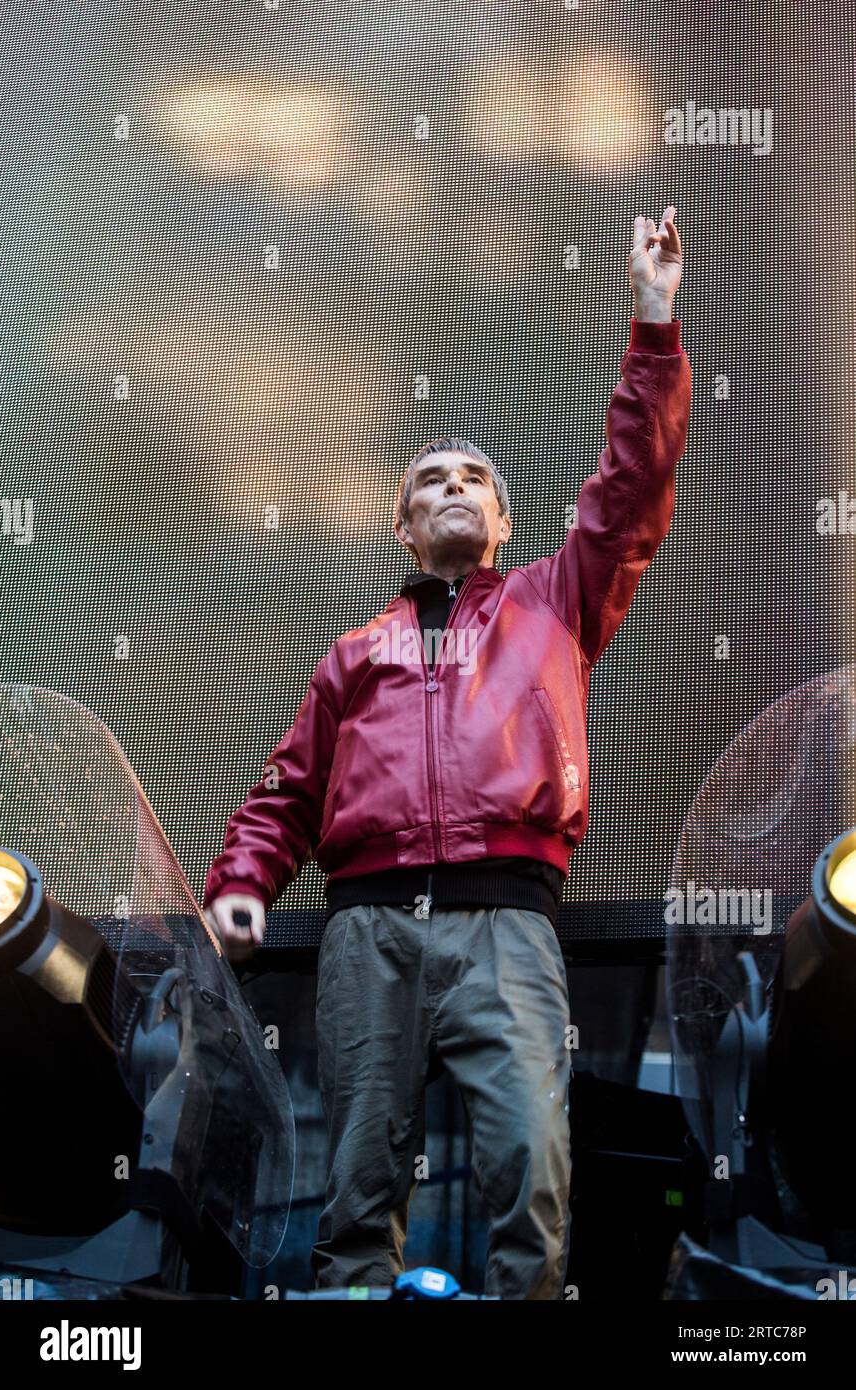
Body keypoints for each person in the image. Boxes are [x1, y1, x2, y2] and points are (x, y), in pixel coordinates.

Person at [202, 208, 691, 1299]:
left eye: (474, 476)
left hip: (506, 926)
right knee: (355, 1179)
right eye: (433, 480)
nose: (455, 486)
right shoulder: (354, 653)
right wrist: (239, 884)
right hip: (367, 927)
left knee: (530, 1163)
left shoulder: (554, 603)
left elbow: (629, 491)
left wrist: (651, 324)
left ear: (506, 520)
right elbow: (285, 792)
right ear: (402, 526)